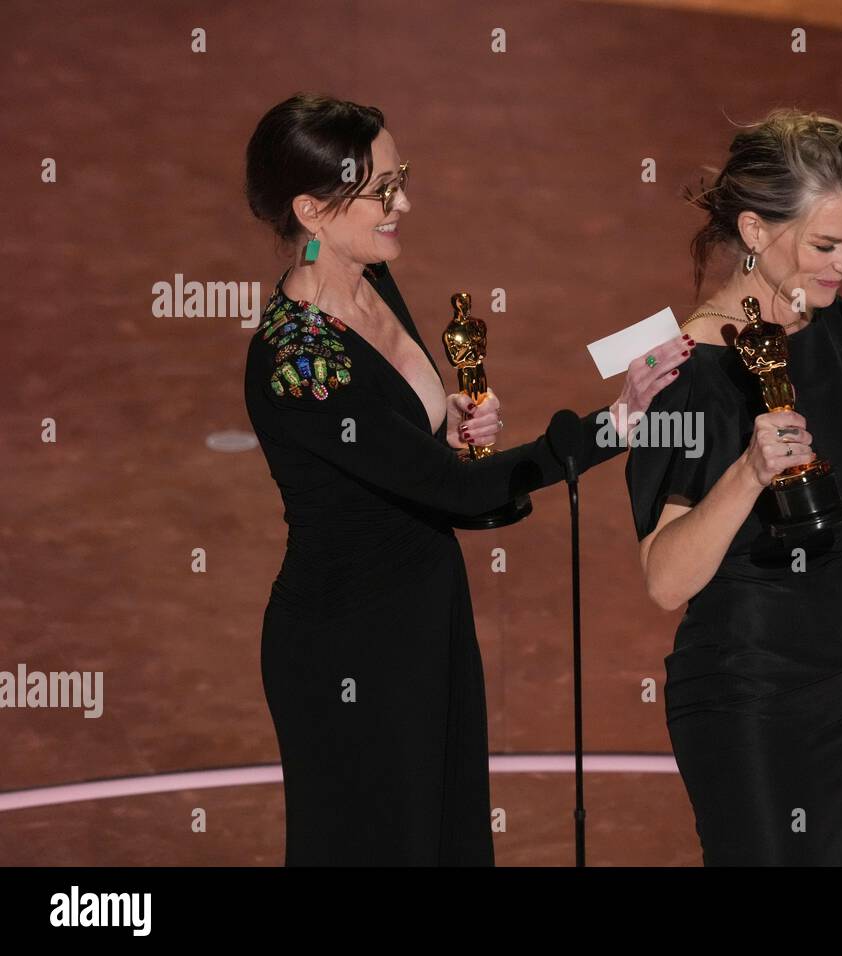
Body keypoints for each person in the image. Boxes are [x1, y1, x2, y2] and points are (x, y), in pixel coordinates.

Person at [242, 92, 692, 865]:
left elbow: (410, 454)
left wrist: (445, 425)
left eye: (399, 178)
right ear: (311, 212)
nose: (403, 203)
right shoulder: (300, 363)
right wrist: (615, 423)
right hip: (353, 646)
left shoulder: (367, 282)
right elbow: (459, 492)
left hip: (423, 613)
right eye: (381, 191)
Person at [625, 108, 842, 865]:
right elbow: (664, 578)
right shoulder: (683, 373)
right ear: (755, 232)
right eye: (825, 244)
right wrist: (750, 474)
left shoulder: (838, 327)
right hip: (747, 696)